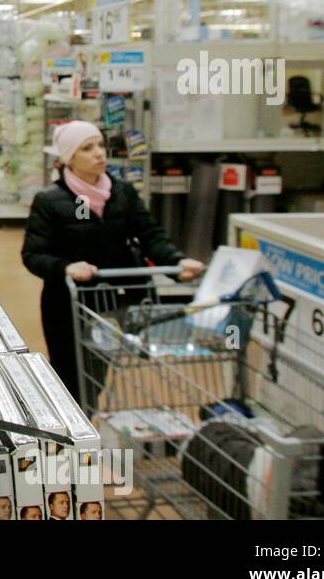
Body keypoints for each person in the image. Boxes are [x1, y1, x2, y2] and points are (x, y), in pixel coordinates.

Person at [22, 121, 204, 400]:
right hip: (69, 305)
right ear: (69, 157)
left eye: (100, 145)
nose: (99, 153)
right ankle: (71, 438)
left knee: (96, 376)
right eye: (87, 148)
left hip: (115, 302)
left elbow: (150, 235)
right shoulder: (50, 200)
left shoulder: (122, 193)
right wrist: (66, 267)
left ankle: (88, 429)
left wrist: (178, 264)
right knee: (70, 377)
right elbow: (33, 255)